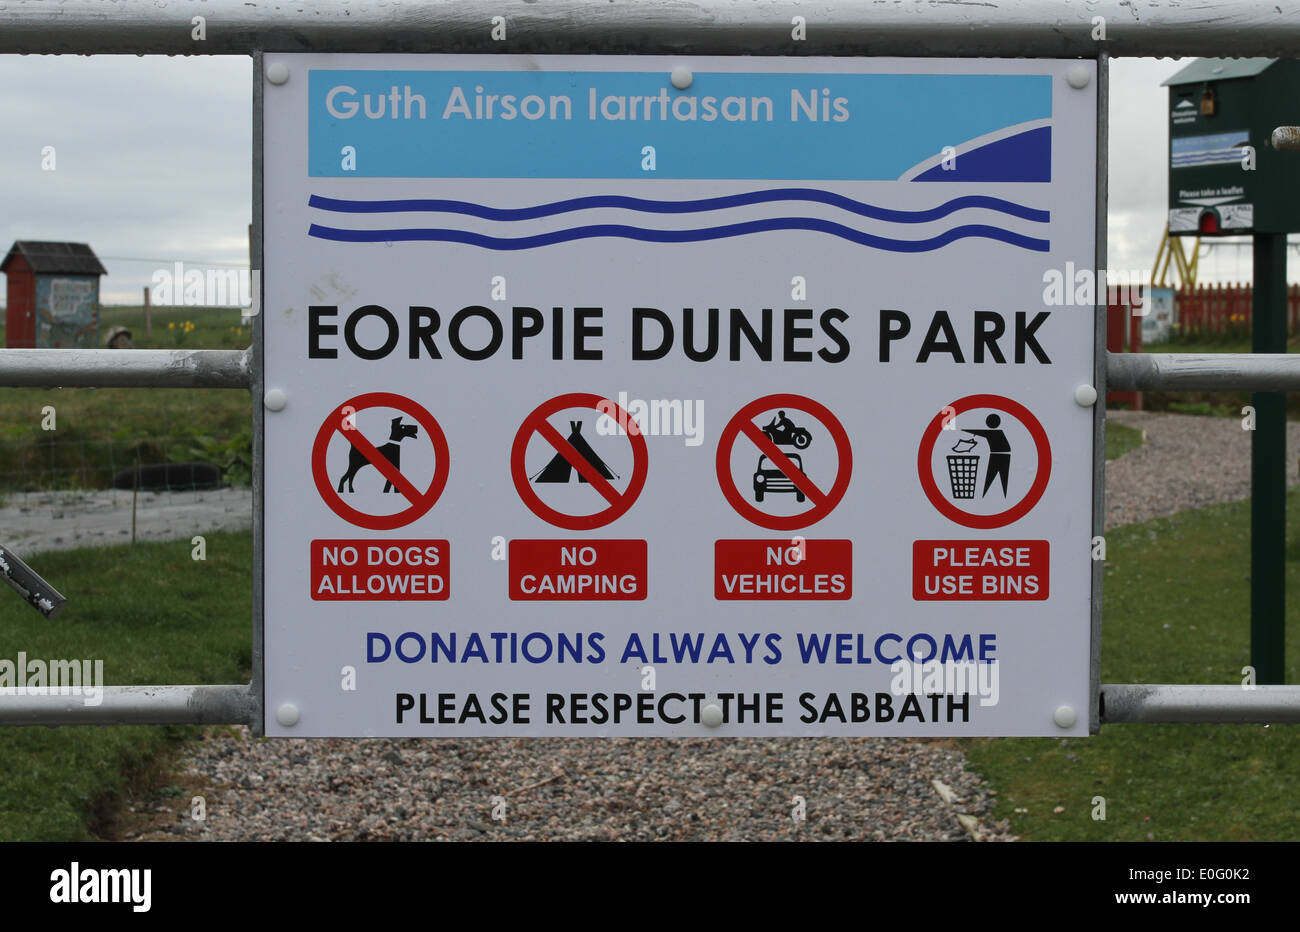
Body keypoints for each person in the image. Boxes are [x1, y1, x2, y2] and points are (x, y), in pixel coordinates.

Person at [963, 414, 1011, 497]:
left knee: (996, 478)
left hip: (999, 456)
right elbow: (982, 432)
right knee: (996, 478)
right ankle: (986, 495)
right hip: (1001, 455)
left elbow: (981, 432)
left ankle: (989, 495)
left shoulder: (994, 433)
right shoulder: (997, 432)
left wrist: (963, 429)